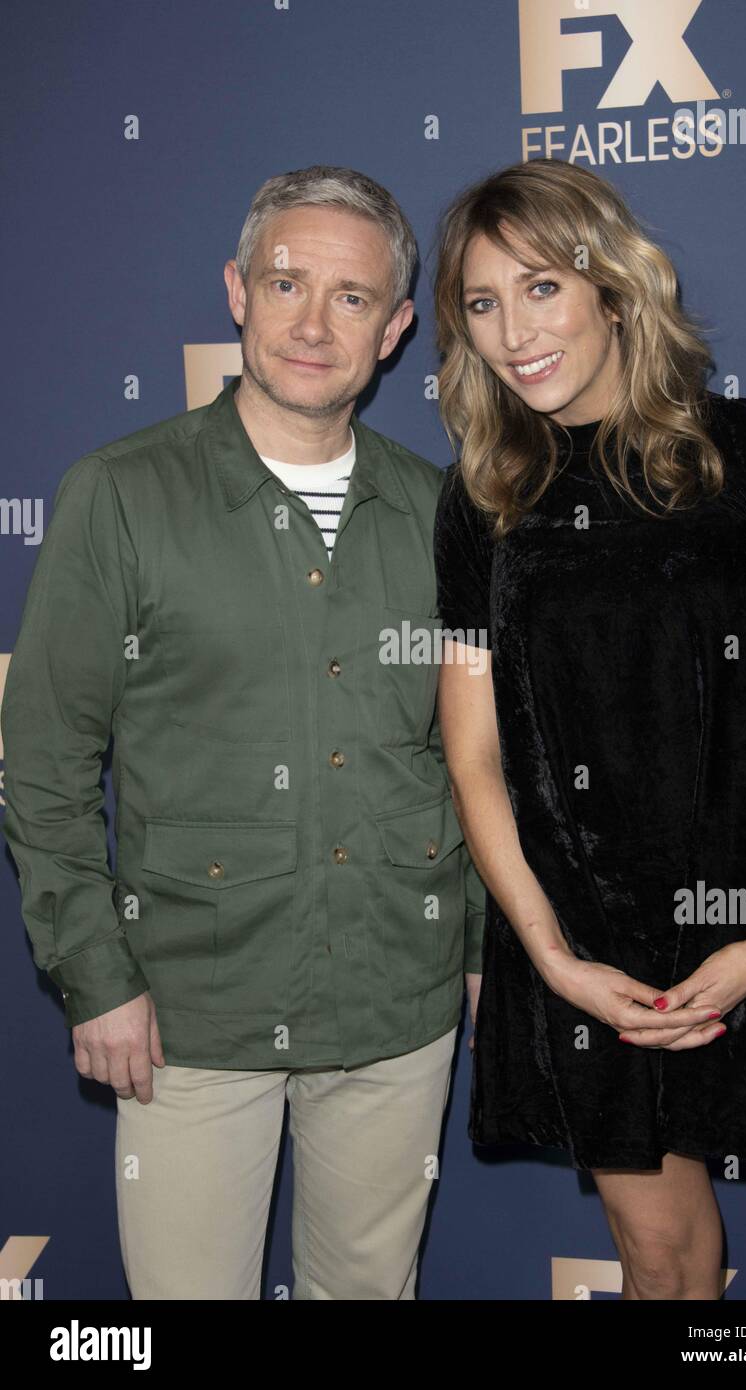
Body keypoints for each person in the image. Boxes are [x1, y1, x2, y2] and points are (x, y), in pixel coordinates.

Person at [1, 165, 486, 1300]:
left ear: (397, 327)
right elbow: (46, 762)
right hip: (185, 1012)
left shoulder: (443, 515)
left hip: (394, 1003)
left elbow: (471, 762)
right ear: (236, 291)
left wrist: (474, 952)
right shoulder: (119, 496)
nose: (312, 324)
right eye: (284, 283)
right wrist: (94, 972)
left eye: (352, 298)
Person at [431, 157, 746, 1300]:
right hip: (586, 951)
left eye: (538, 287)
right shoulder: (480, 500)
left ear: (611, 289)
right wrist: (550, 954)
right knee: (663, 1271)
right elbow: (471, 752)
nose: (512, 330)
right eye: (481, 303)